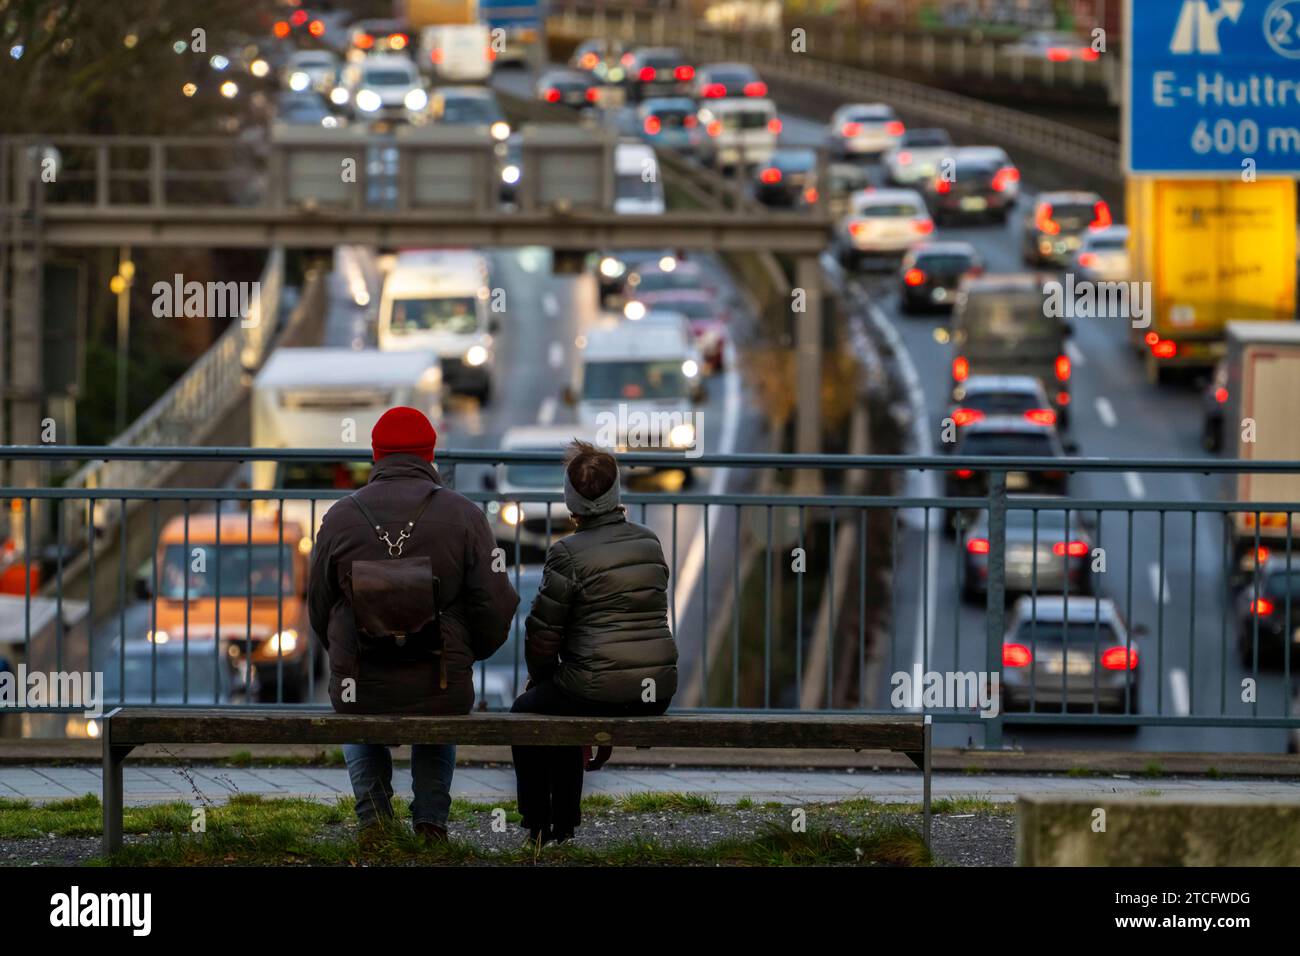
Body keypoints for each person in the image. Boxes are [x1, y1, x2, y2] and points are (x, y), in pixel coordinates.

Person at [308, 406, 518, 841]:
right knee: (438, 711)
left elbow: (318, 605)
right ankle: (430, 822)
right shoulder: (465, 516)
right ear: (430, 455)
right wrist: (465, 653)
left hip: (360, 681)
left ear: (375, 456)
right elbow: (495, 603)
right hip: (441, 679)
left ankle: (375, 821)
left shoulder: (340, 517)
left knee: (358, 718)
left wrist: (349, 652)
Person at [511, 440, 678, 846]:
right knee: (566, 700)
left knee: (529, 714)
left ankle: (540, 824)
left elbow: (543, 633)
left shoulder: (567, 553)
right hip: (655, 690)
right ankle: (562, 826)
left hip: (594, 689)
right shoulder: (650, 542)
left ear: (572, 502)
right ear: (616, 493)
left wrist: (540, 679)